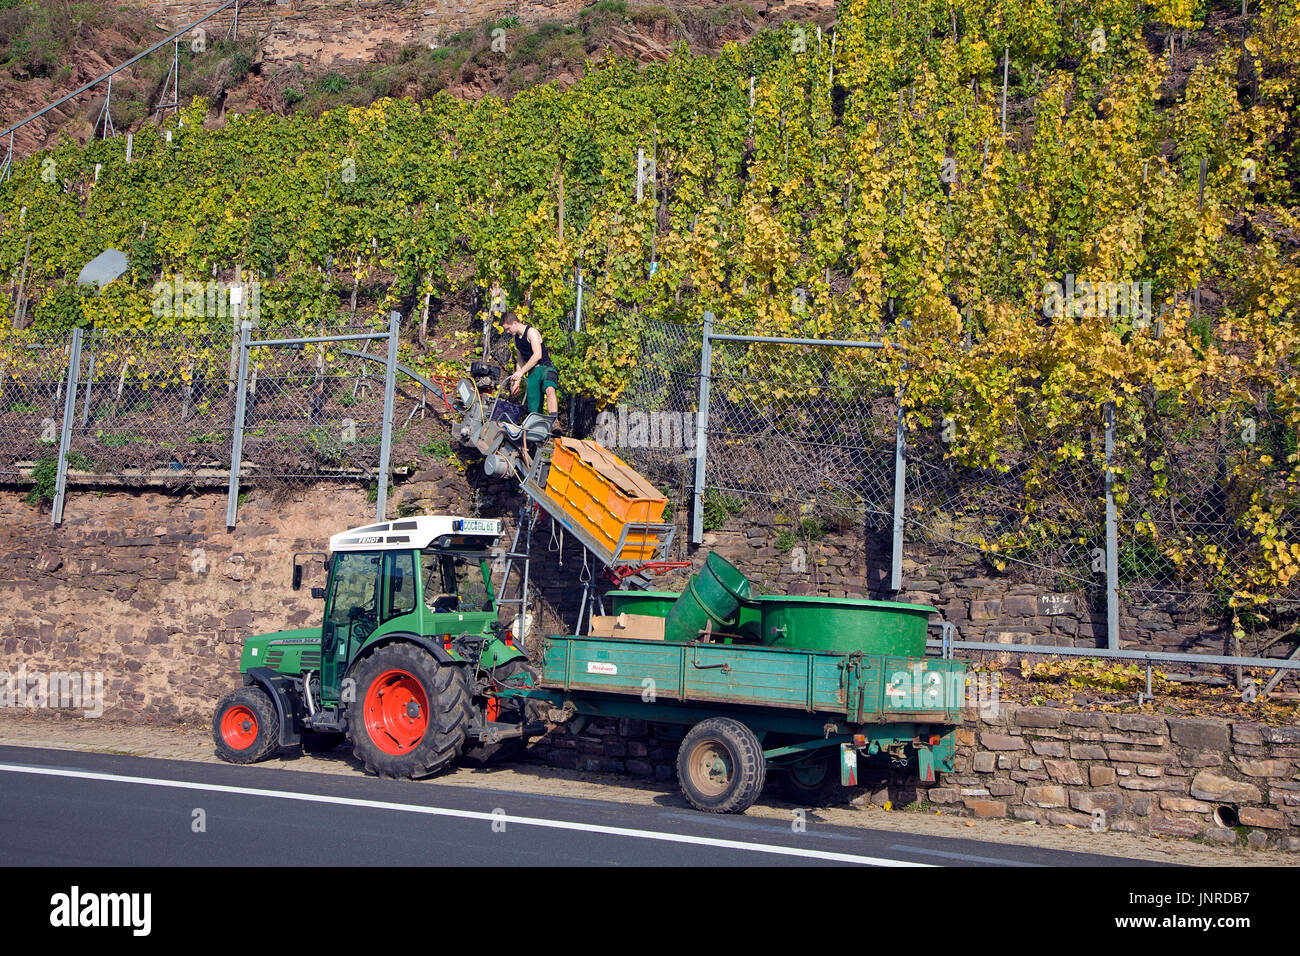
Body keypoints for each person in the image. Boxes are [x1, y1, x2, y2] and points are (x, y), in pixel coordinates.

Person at [502, 311, 560, 428]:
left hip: (544, 367)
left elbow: (537, 355)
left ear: (514, 323)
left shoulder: (531, 332)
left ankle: (554, 422)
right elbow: (520, 361)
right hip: (532, 373)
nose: (507, 332)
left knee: (549, 389)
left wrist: (521, 372)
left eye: (508, 329)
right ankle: (538, 433)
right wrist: (517, 380)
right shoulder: (516, 339)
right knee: (533, 408)